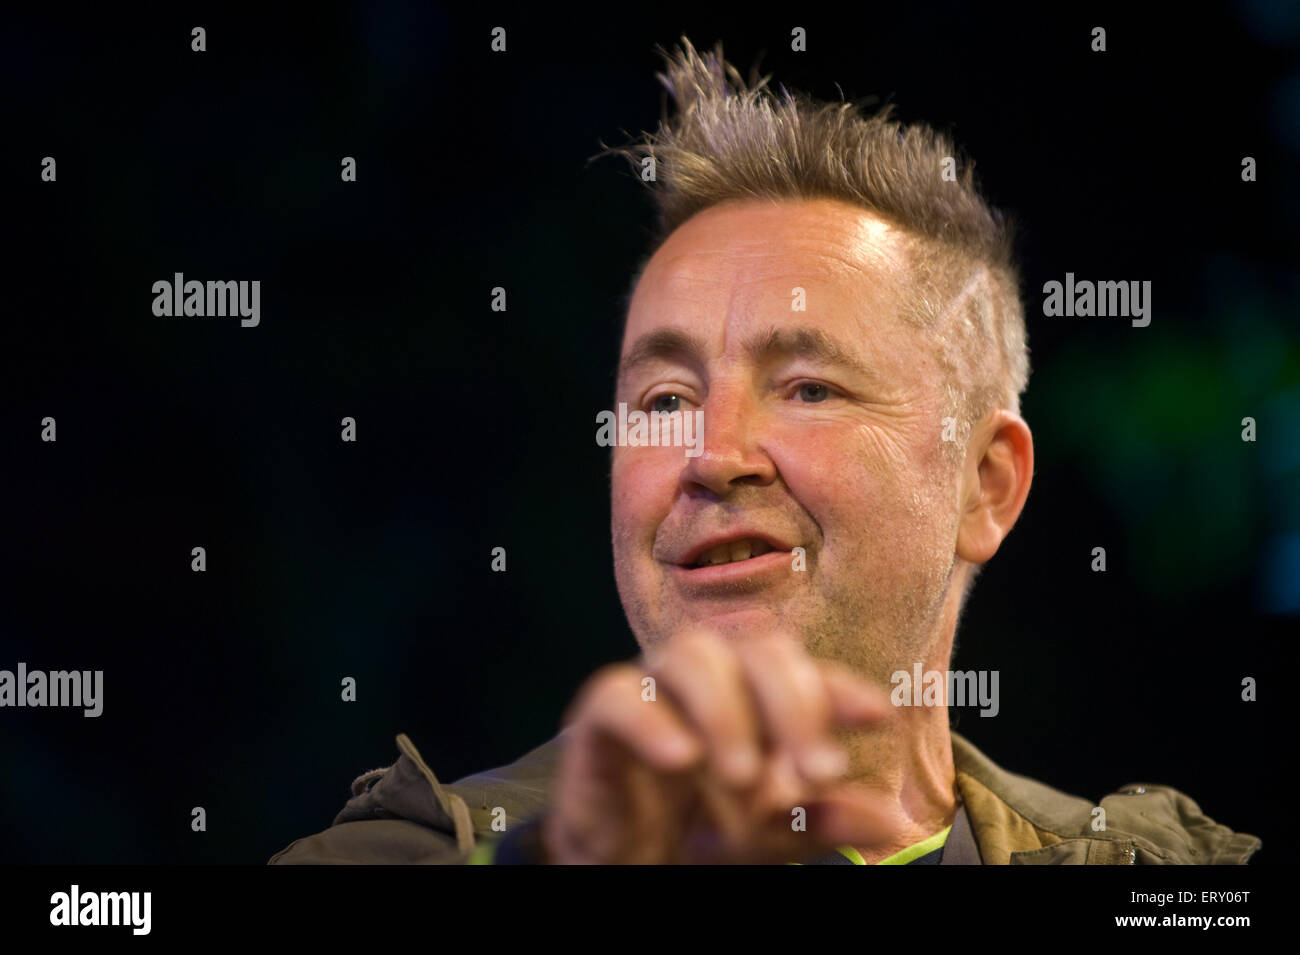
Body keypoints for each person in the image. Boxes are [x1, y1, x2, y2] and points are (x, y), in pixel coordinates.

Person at [269, 37, 1260, 866]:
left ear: (983, 483)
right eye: (664, 398)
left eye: (808, 389)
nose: (712, 454)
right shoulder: (413, 854)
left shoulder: (1169, 875)